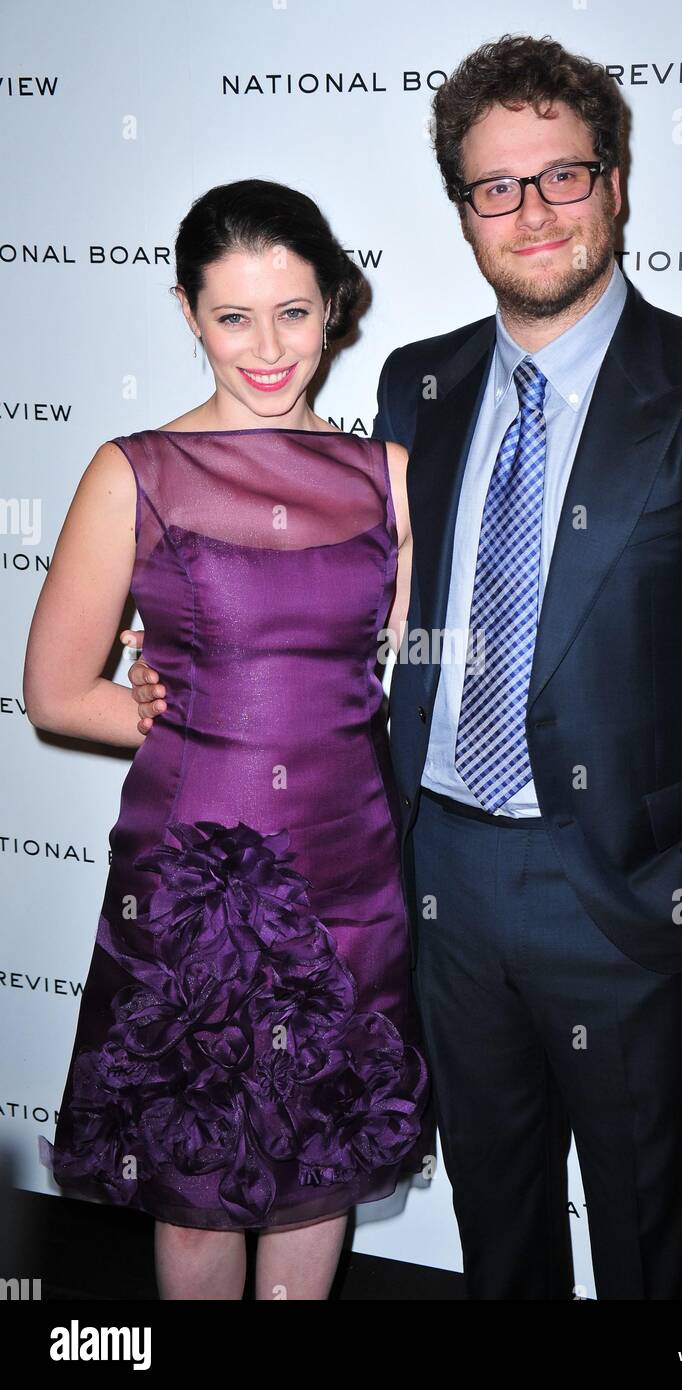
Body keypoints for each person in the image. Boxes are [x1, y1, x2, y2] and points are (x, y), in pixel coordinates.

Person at [127, 36, 682, 1300]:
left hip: (627, 896)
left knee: (653, 1247)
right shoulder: (419, 384)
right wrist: (178, 649)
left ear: (615, 184)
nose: (532, 211)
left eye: (562, 175)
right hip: (436, 880)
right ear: (461, 210)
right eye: (494, 187)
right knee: (498, 1238)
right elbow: (337, 593)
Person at [24, 178, 431, 1301]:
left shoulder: (387, 479)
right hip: (195, 880)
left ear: (336, 306)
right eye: (233, 316)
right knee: (195, 1187)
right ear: (188, 313)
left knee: (321, 1167)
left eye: (293, 312)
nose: (266, 347)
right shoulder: (136, 471)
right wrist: (164, 708)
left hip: (351, 871)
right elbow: (58, 691)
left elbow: (425, 683)